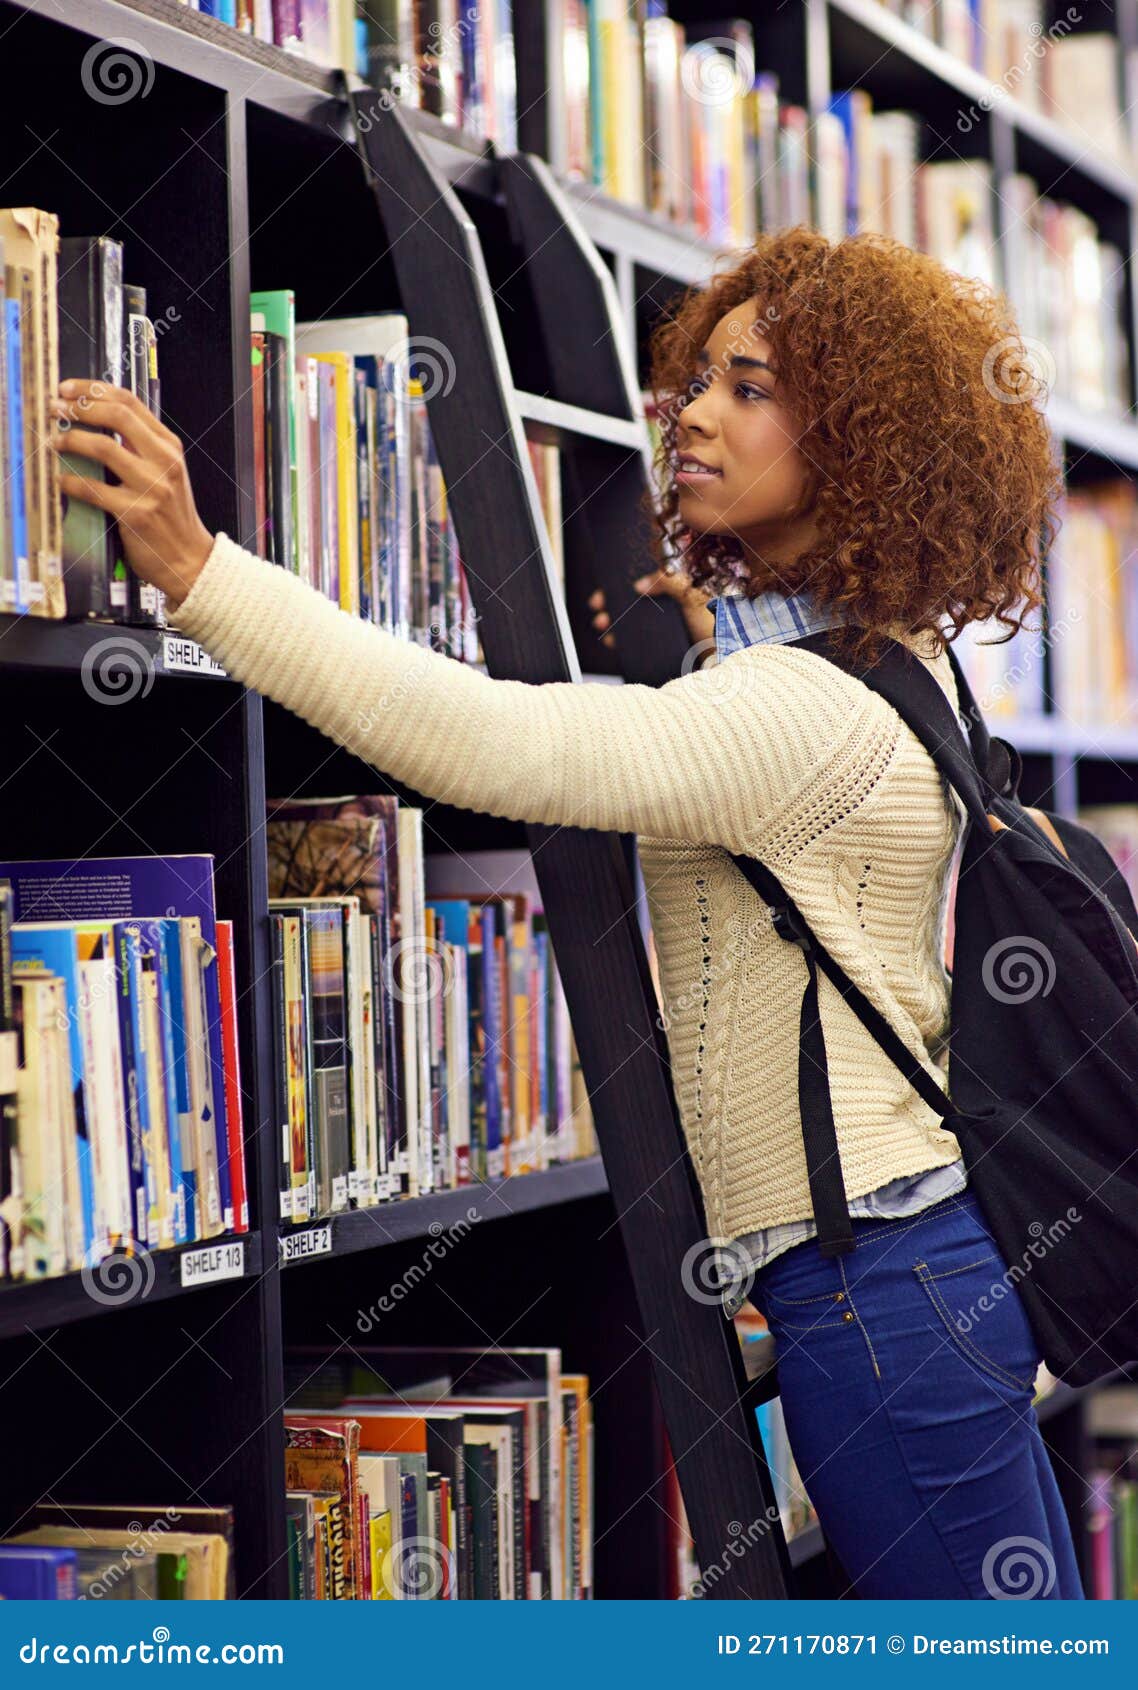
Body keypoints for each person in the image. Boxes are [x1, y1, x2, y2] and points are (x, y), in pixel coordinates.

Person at [50, 226, 1082, 1600]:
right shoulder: (899, 660)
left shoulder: (791, 715)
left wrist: (196, 569)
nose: (695, 416)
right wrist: (712, 641)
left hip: (880, 1289)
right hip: (919, 1261)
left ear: (857, 445)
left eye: (752, 389)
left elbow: (486, 739)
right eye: (702, 376)